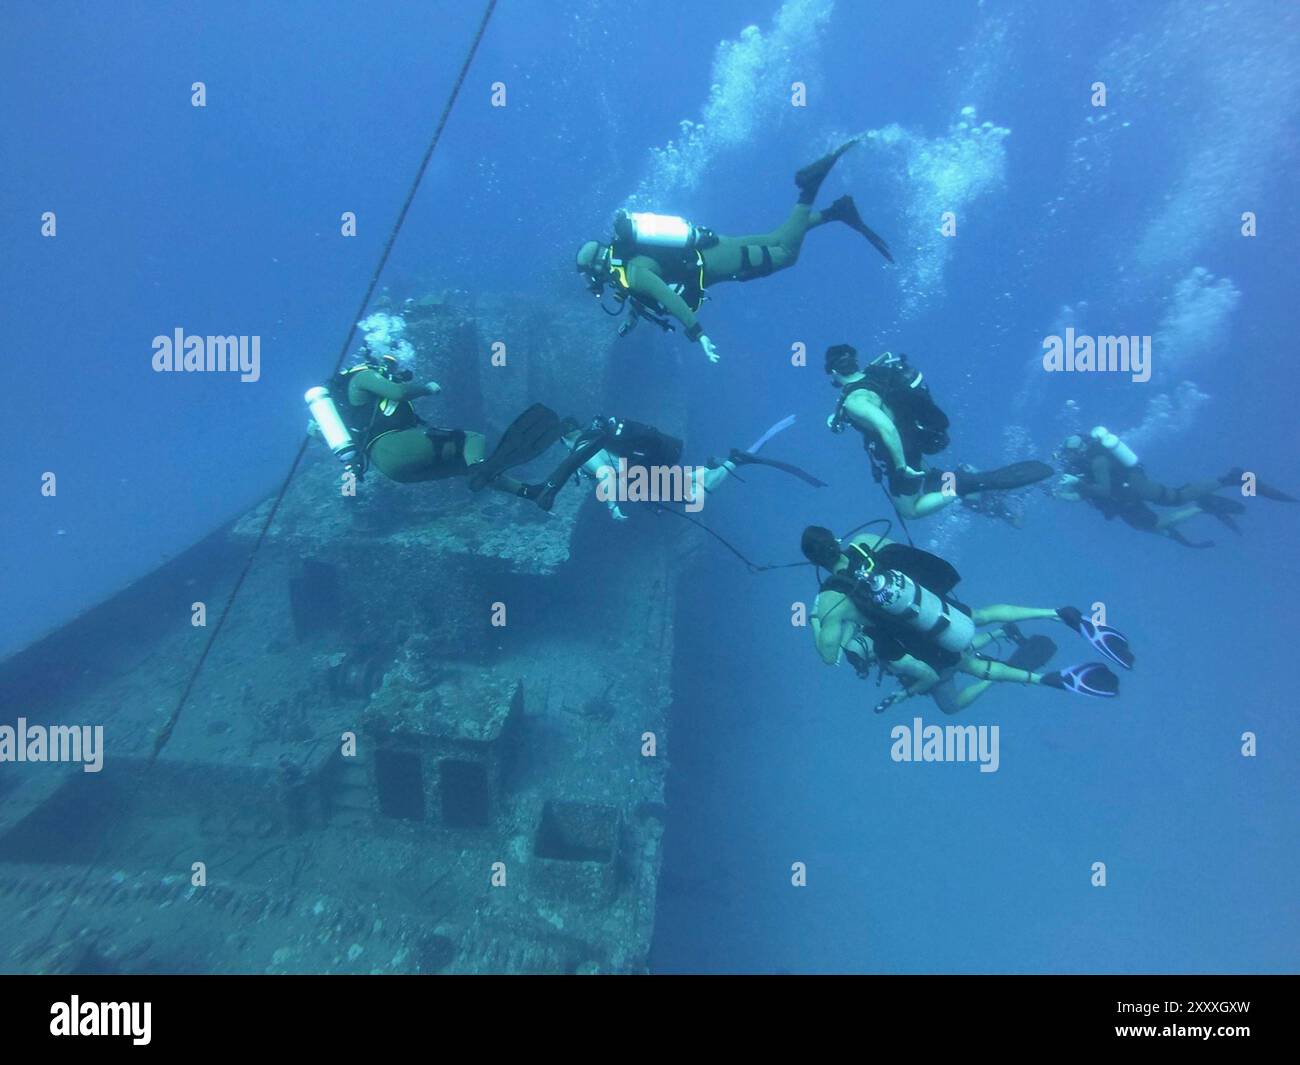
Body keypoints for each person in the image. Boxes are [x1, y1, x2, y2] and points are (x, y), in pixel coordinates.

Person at [575, 139, 892, 362]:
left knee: (785, 255)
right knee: (778, 236)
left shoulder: (631, 272)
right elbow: (646, 293)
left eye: (591, 278)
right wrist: (631, 321)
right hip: (716, 249)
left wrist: (698, 334)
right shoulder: (627, 265)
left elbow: (666, 297)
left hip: (721, 264)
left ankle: (809, 187)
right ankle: (837, 212)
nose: (594, 285)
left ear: (596, 269)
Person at [801, 524, 1134, 712]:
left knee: (969, 674)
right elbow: (906, 558)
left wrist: (816, 617)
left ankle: (1048, 680)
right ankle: (1056, 614)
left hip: (919, 638)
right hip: (933, 603)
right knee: (984, 614)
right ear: (834, 538)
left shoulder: (832, 597)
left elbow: (829, 655)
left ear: (815, 563)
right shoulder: (864, 541)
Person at [825, 345, 1052, 521]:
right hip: (912, 437)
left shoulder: (855, 401)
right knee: (930, 478)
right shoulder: (872, 375)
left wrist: (902, 466)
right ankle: (959, 481)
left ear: (834, 372)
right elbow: (881, 365)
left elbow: (887, 428)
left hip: (900, 450)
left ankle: (963, 485)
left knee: (910, 511)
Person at [305, 349, 562, 495]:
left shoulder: (343, 410)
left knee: (466, 464)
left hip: (392, 469)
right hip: (396, 446)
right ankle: (479, 470)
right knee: (473, 440)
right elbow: (400, 393)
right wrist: (428, 388)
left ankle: (529, 492)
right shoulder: (362, 376)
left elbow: (320, 433)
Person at [522, 415, 825, 518]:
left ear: (564, 439)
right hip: (646, 471)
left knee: (698, 494)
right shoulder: (596, 433)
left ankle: (735, 461)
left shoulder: (582, 451)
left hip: (642, 478)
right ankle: (719, 462)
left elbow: (603, 474)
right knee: (688, 478)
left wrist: (613, 506)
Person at [1052, 427, 1295, 548]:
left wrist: (1077, 484)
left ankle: (1231, 479)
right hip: (1124, 498)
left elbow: (1103, 490)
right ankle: (1205, 503)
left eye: (1069, 454)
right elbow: (1088, 494)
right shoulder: (1084, 467)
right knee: (1147, 525)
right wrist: (1066, 493)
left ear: (1079, 449)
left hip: (1135, 487)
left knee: (1177, 498)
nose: (1067, 459)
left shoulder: (1099, 460)